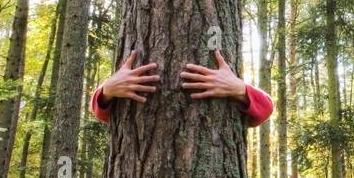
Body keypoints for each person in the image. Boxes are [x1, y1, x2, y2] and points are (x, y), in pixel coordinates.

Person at [90, 49, 273, 128]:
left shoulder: (234, 87)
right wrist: (106, 91)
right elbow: (100, 111)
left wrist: (241, 89)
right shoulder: (120, 84)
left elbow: (265, 108)